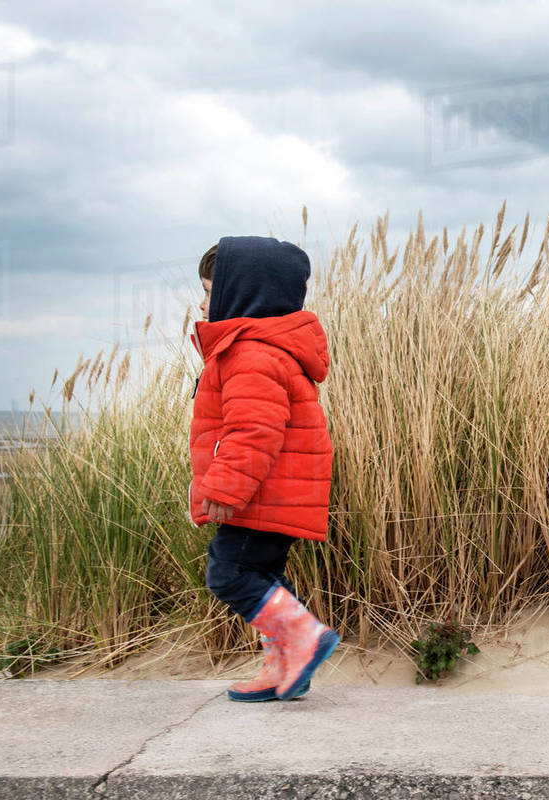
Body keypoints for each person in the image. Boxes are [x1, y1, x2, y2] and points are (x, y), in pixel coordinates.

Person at [189, 236, 338, 702]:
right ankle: (286, 668)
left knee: (228, 573)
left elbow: (254, 430)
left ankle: (302, 638)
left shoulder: (252, 353)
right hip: (276, 494)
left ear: (242, 293)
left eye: (212, 290)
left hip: (260, 496)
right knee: (264, 576)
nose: (204, 301)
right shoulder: (264, 349)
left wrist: (226, 487)